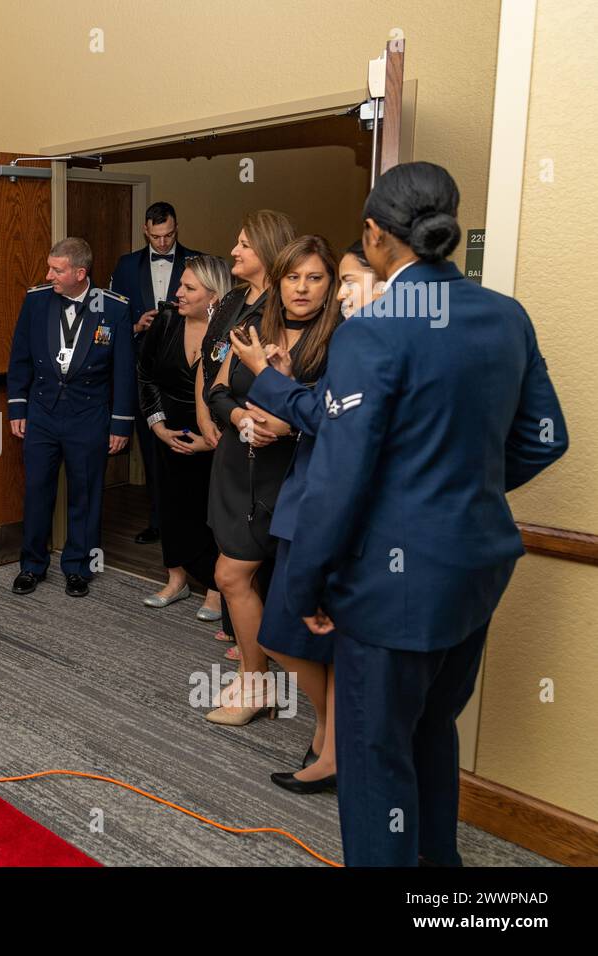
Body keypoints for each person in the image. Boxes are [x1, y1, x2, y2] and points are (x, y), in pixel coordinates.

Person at [282, 162, 567, 866]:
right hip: (475, 567)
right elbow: (545, 437)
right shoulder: (507, 314)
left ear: (376, 237)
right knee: (433, 731)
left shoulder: (373, 330)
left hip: (391, 585)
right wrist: (462, 495)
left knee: (377, 757)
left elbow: (340, 479)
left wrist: (306, 584)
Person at [229, 240, 380, 793]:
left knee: (289, 634)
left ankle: (335, 743)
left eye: (340, 280)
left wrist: (271, 379)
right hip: (308, 497)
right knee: (300, 637)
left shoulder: (364, 343)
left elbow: (329, 419)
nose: (334, 292)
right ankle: (331, 739)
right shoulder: (360, 339)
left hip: (328, 507)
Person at [205, 235, 341, 725]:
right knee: (236, 575)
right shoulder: (250, 327)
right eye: (292, 277)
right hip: (238, 469)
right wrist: (242, 417)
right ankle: (260, 682)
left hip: (292, 478)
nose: (301, 288)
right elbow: (217, 390)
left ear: (331, 286)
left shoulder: (339, 342)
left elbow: (331, 414)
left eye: (315, 278)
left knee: (236, 575)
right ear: (278, 281)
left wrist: (281, 422)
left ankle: (275, 692)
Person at [7, 237, 135, 598]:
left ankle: (79, 567)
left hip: (88, 416)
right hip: (43, 414)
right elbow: (19, 357)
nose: (49, 275)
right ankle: (31, 566)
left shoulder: (114, 308)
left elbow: (124, 371)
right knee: (36, 492)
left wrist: (120, 424)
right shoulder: (36, 301)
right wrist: (18, 407)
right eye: (50, 267)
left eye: (57, 270)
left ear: (81, 273)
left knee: (87, 494)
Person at [194, 212, 296, 655]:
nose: (233, 252)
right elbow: (212, 365)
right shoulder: (233, 300)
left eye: (243, 245)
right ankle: (246, 636)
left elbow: (282, 385)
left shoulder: (285, 309)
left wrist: (250, 419)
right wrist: (212, 417)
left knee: (251, 560)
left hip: (269, 456)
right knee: (232, 551)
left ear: (269, 251)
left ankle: (265, 651)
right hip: (232, 442)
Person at [136, 255, 229, 620]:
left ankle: (215, 588)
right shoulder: (167, 321)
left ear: (214, 296)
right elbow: (146, 375)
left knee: (210, 513)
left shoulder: (228, 333)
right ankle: (176, 580)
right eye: (181, 285)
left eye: (189, 288)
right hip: (169, 430)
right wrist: (158, 426)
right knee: (170, 506)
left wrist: (212, 438)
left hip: (215, 436)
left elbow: (236, 392)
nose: (178, 293)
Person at [110, 201, 203, 545]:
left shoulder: (197, 263)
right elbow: (112, 319)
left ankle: (192, 522)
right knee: (151, 449)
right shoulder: (124, 266)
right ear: (145, 231)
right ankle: (157, 520)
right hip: (141, 371)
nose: (164, 243)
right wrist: (136, 325)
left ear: (177, 229)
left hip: (184, 374)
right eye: (157, 236)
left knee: (187, 446)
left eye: (170, 235)